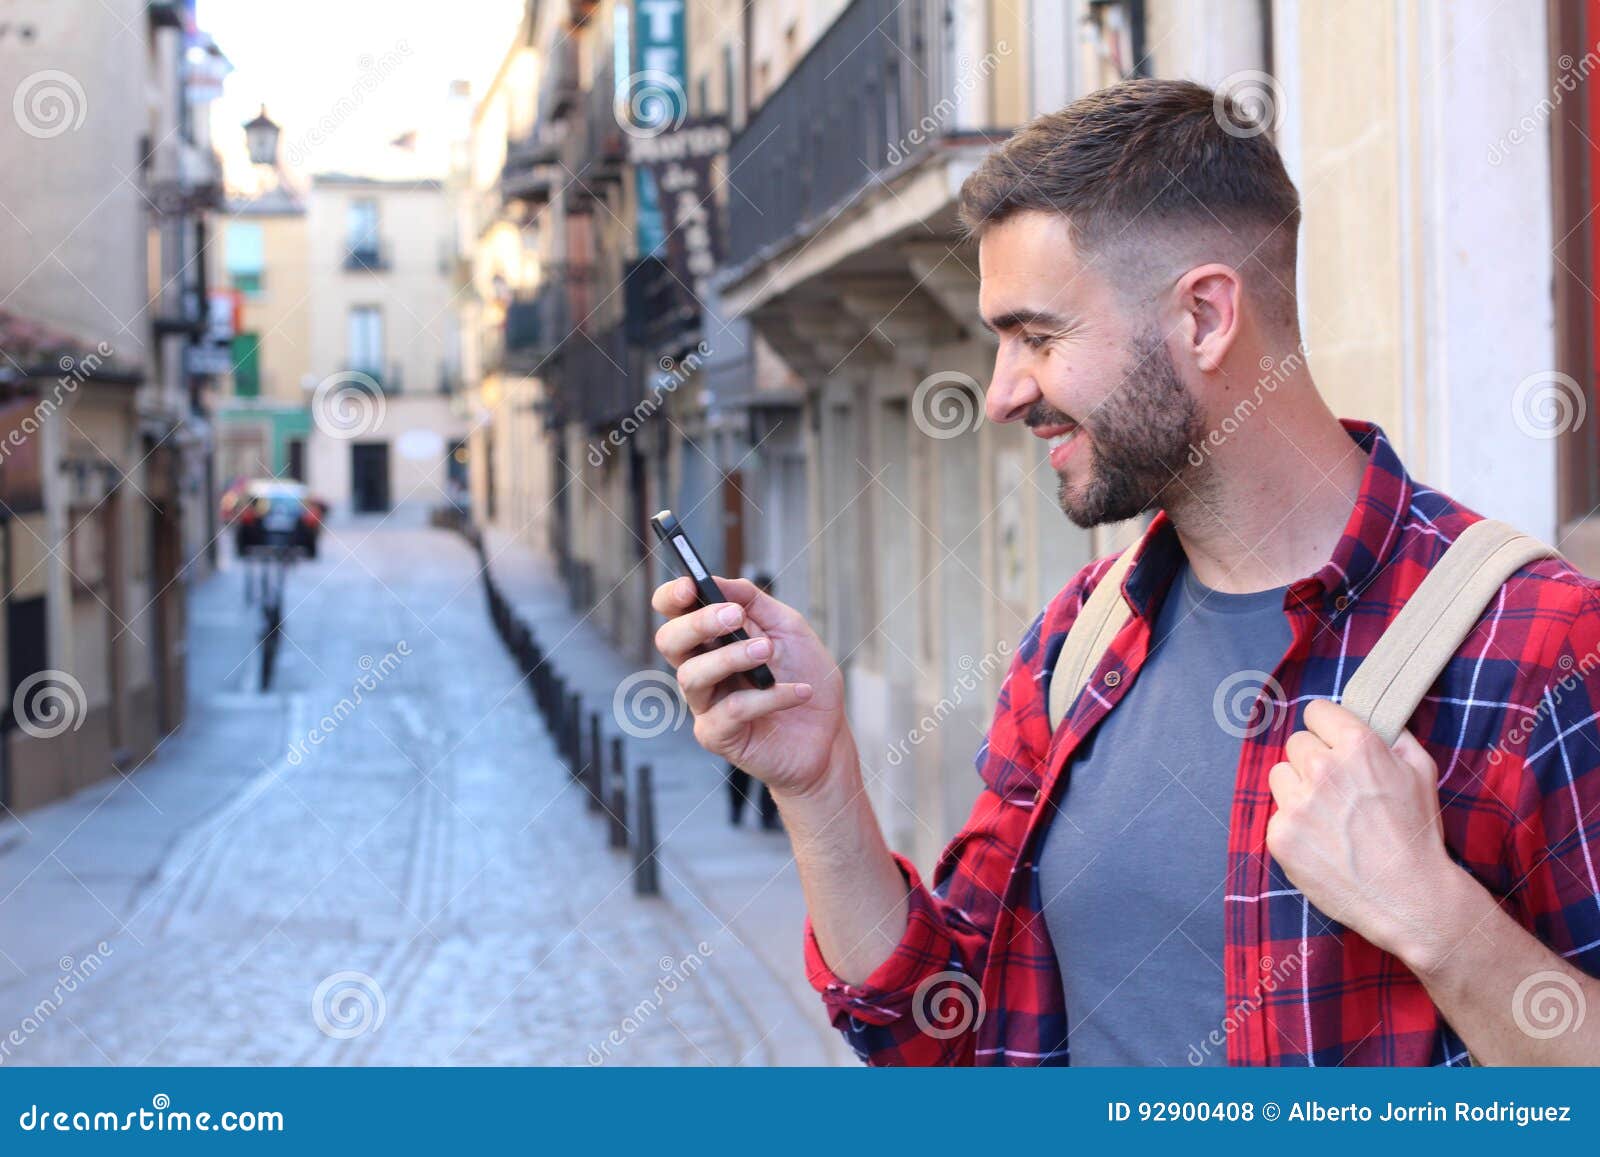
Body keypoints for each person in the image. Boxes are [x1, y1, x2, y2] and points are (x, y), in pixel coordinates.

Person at [650, 78, 1600, 1066]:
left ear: (1202, 317)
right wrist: (817, 779)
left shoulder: (1541, 644)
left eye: (1037, 336)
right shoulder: (1077, 640)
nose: (1001, 394)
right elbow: (948, 1031)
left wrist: (1440, 922)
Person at [727, 575, 782, 832]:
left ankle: (767, 816)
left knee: (770, 768)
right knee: (740, 766)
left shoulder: (779, 626)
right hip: (743, 702)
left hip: (770, 703)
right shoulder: (734, 624)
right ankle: (736, 809)